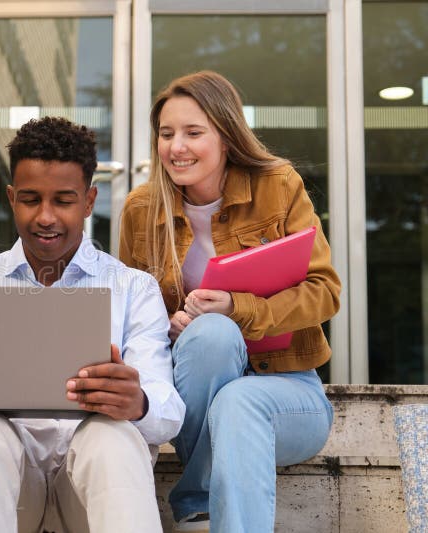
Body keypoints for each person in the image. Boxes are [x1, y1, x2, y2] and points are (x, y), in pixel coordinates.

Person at [0, 116, 185, 533]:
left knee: (112, 436)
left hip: (92, 495)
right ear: (10, 198)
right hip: (11, 493)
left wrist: (138, 402)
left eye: (63, 200)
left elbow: (168, 412)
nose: (45, 216)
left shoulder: (134, 288)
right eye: (30, 199)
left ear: (90, 201)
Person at [119, 70, 341, 532]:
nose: (176, 146)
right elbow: (129, 318)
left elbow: (325, 290)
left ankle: (198, 504)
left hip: (288, 389)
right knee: (210, 336)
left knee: (236, 392)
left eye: (193, 133)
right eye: (166, 134)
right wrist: (170, 328)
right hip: (192, 387)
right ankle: (202, 508)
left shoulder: (277, 185)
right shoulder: (142, 209)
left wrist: (240, 309)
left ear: (226, 135)